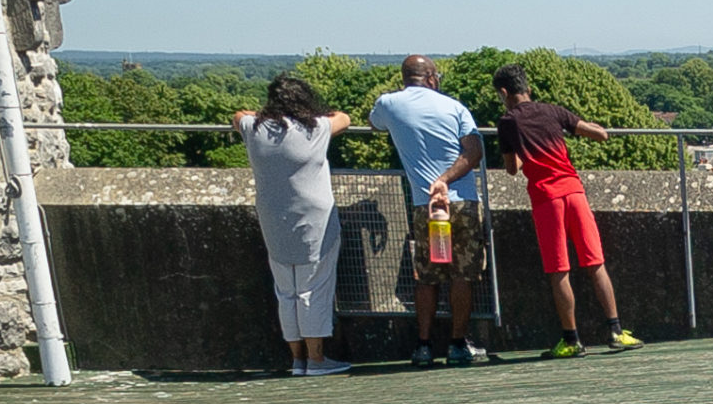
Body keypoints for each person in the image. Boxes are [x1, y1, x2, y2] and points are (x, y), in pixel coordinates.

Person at [493, 62, 640, 360]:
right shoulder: (552, 111)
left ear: (504, 92)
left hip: (547, 198)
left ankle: (572, 340)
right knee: (595, 262)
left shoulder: (507, 122)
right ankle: (616, 331)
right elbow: (599, 135)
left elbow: (512, 169)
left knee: (559, 270)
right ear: (528, 89)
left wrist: (527, 153)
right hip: (574, 191)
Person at [232, 74, 352, 377]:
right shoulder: (314, 129)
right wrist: (316, 113)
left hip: (273, 216)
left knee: (286, 290)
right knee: (314, 287)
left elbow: (238, 116)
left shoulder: (254, 129)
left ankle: (297, 359)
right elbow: (344, 118)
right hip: (316, 218)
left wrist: (259, 115)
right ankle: (317, 359)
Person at [369, 54, 486, 368]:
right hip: (460, 202)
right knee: (462, 275)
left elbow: (374, 123)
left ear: (405, 78)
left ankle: (423, 346)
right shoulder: (454, 107)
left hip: (428, 207)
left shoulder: (389, 104)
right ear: (432, 77)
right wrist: (445, 179)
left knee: (429, 276)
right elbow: (474, 151)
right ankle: (457, 344)